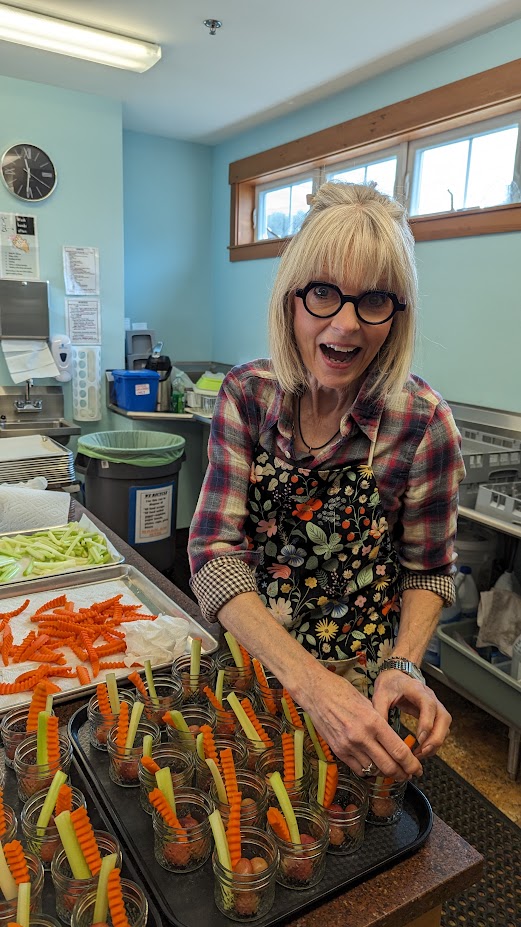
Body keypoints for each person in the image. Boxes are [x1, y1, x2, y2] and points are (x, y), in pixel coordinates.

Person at [188, 182, 465, 782]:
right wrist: (308, 684)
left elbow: (428, 569)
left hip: (365, 700)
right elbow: (214, 555)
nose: (345, 326)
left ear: (397, 315)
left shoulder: (422, 425)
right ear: (290, 300)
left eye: (373, 301)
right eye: (322, 294)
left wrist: (407, 665)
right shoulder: (247, 398)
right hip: (250, 670)